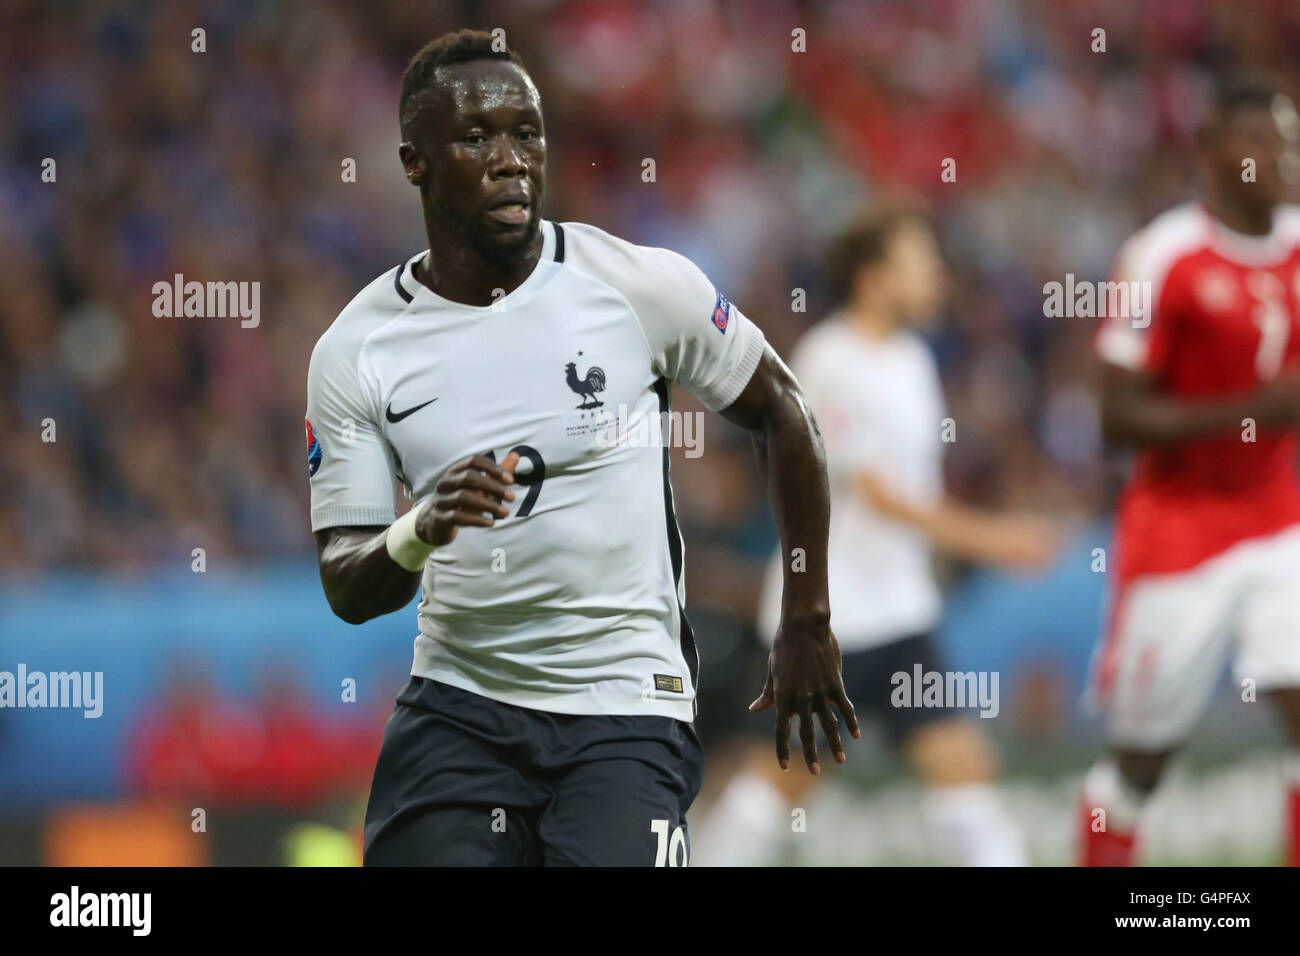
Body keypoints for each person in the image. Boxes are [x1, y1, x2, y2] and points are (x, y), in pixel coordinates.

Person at [304, 29, 857, 867]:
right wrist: (420, 527)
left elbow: (786, 412)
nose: (510, 159)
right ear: (415, 162)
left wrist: (806, 615)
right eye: (476, 137)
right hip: (460, 707)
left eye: (526, 133)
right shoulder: (357, 350)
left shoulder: (637, 285)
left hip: (626, 710)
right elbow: (346, 581)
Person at [698, 207, 1056, 867]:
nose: (936, 275)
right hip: (830, 616)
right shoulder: (830, 359)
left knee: (962, 768)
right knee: (781, 781)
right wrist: (994, 540)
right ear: (873, 277)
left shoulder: (913, 357)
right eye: (919, 262)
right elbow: (881, 494)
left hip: (898, 609)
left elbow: (910, 486)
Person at [1082, 74, 1300, 866]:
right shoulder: (1162, 256)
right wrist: (1261, 408)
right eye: (1264, 141)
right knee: (1143, 762)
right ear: (1212, 156)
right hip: (1178, 533)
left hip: (1277, 519)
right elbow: (1116, 418)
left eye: (1291, 140)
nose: (1284, 157)